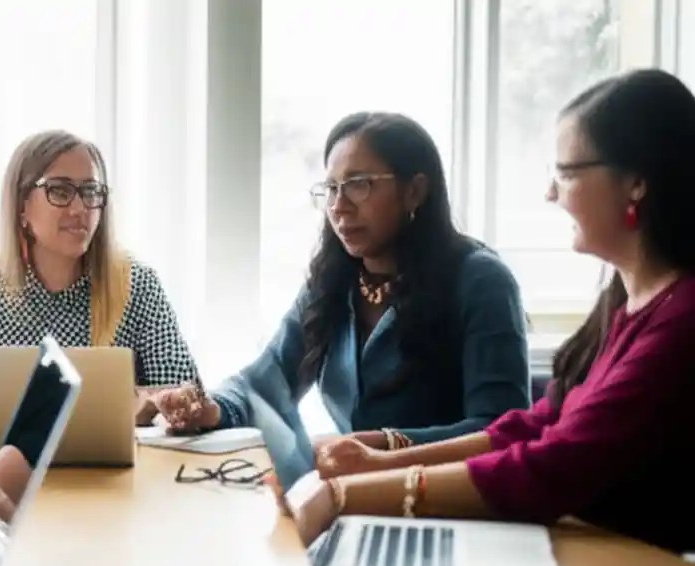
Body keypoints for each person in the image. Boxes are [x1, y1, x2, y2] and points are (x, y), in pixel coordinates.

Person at [290, 69, 695, 554]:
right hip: (596, 554)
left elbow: (553, 467)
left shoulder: (683, 321)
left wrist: (343, 495)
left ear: (636, 184)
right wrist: (377, 463)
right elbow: (537, 424)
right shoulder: (628, 301)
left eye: (567, 174)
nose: (551, 193)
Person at [153, 113, 530, 487]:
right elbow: (262, 384)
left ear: (414, 191)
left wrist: (379, 446)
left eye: (358, 185)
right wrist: (208, 407)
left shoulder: (482, 281)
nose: (339, 206)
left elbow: (500, 430)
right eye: (331, 188)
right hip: (352, 496)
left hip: (450, 501)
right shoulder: (333, 282)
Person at [0, 130, 200, 433]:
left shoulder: (136, 285)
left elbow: (186, 396)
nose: (79, 209)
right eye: (59, 191)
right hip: (11, 472)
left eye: (91, 192)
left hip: (114, 481)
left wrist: (159, 404)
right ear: (22, 206)